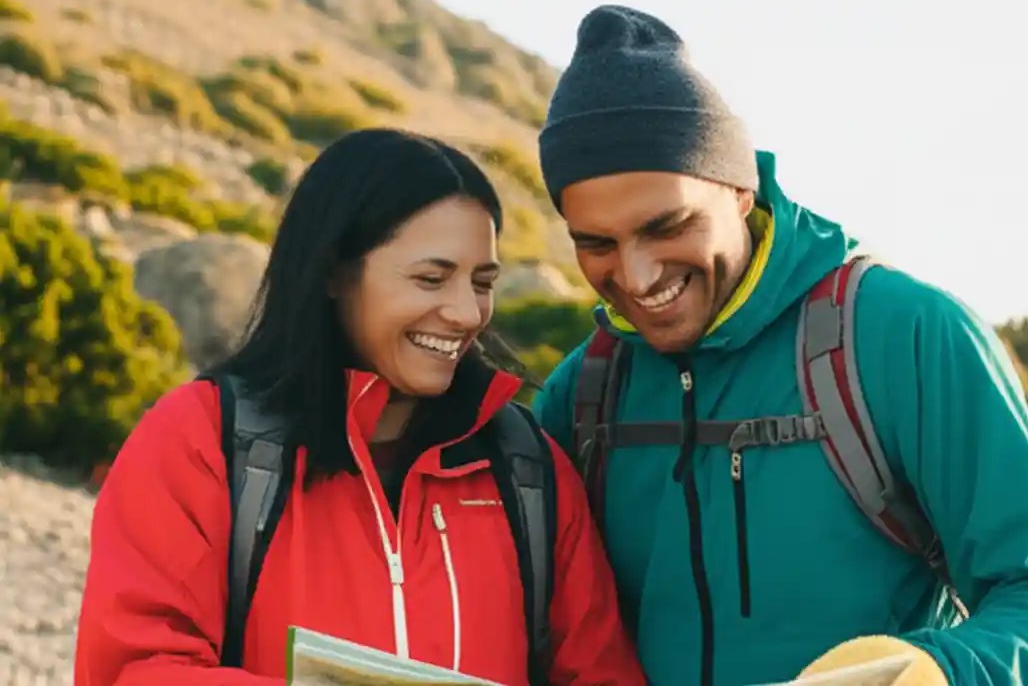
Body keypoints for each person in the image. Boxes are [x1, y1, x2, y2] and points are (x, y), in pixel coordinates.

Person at [532, 4, 1028, 686]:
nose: (636, 278)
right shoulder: (584, 392)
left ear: (740, 190)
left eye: (667, 226)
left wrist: (939, 673)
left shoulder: (902, 336)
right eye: (597, 244)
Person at [73, 128, 647, 686]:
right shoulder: (200, 441)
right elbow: (134, 668)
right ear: (332, 272)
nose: (467, 313)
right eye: (431, 278)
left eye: (481, 282)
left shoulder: (528, 469)